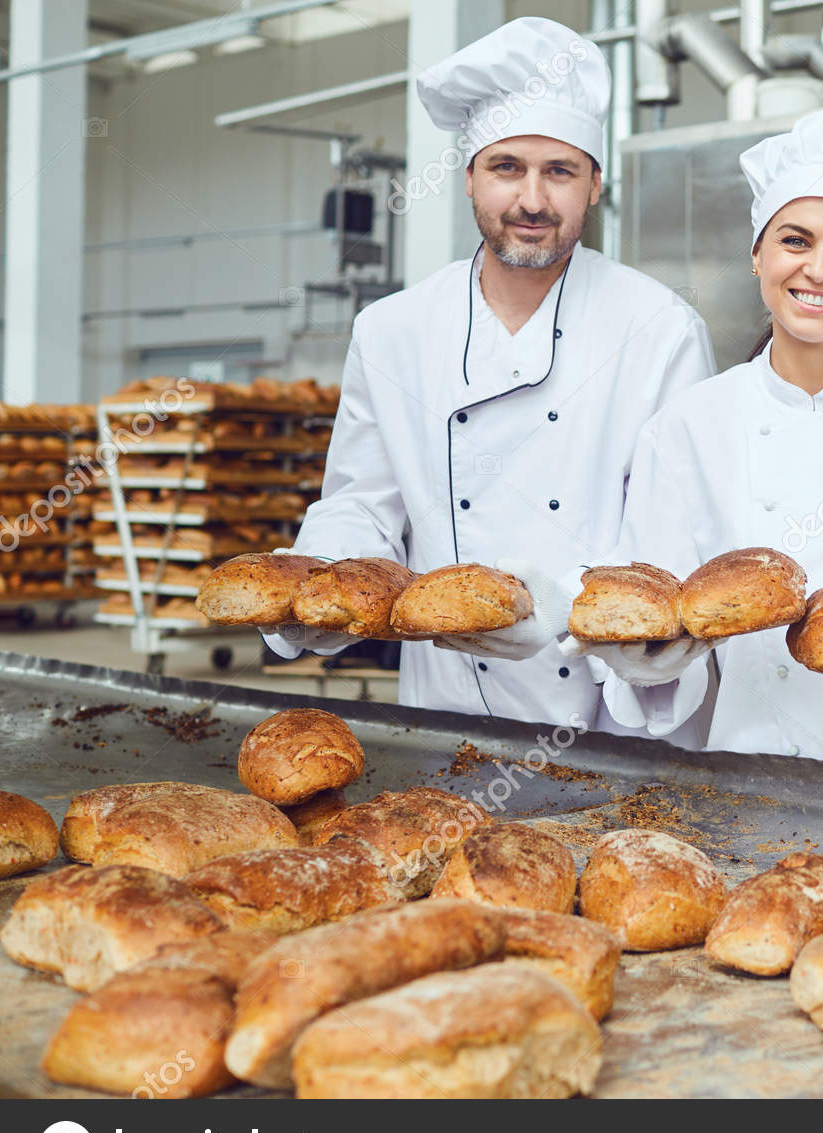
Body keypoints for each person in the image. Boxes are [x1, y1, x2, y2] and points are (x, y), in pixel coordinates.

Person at [265, 18, 715, 729]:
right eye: (507, 167)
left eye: (559, 171)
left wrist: (559, 608)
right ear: (469, 175)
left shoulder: (658, 330)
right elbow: (362, 504)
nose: (532, 200)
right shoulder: (392, 331)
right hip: (440, 713)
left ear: (595, 184)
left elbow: (670, 543)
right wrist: (314, 585)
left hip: (604, 718)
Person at [513, 107, 823, 767]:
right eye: (795, 240)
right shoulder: (687, 427)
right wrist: (650, 663)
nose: (820, 269)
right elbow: (663, 609)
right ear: (757, 255)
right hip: (746, 785)